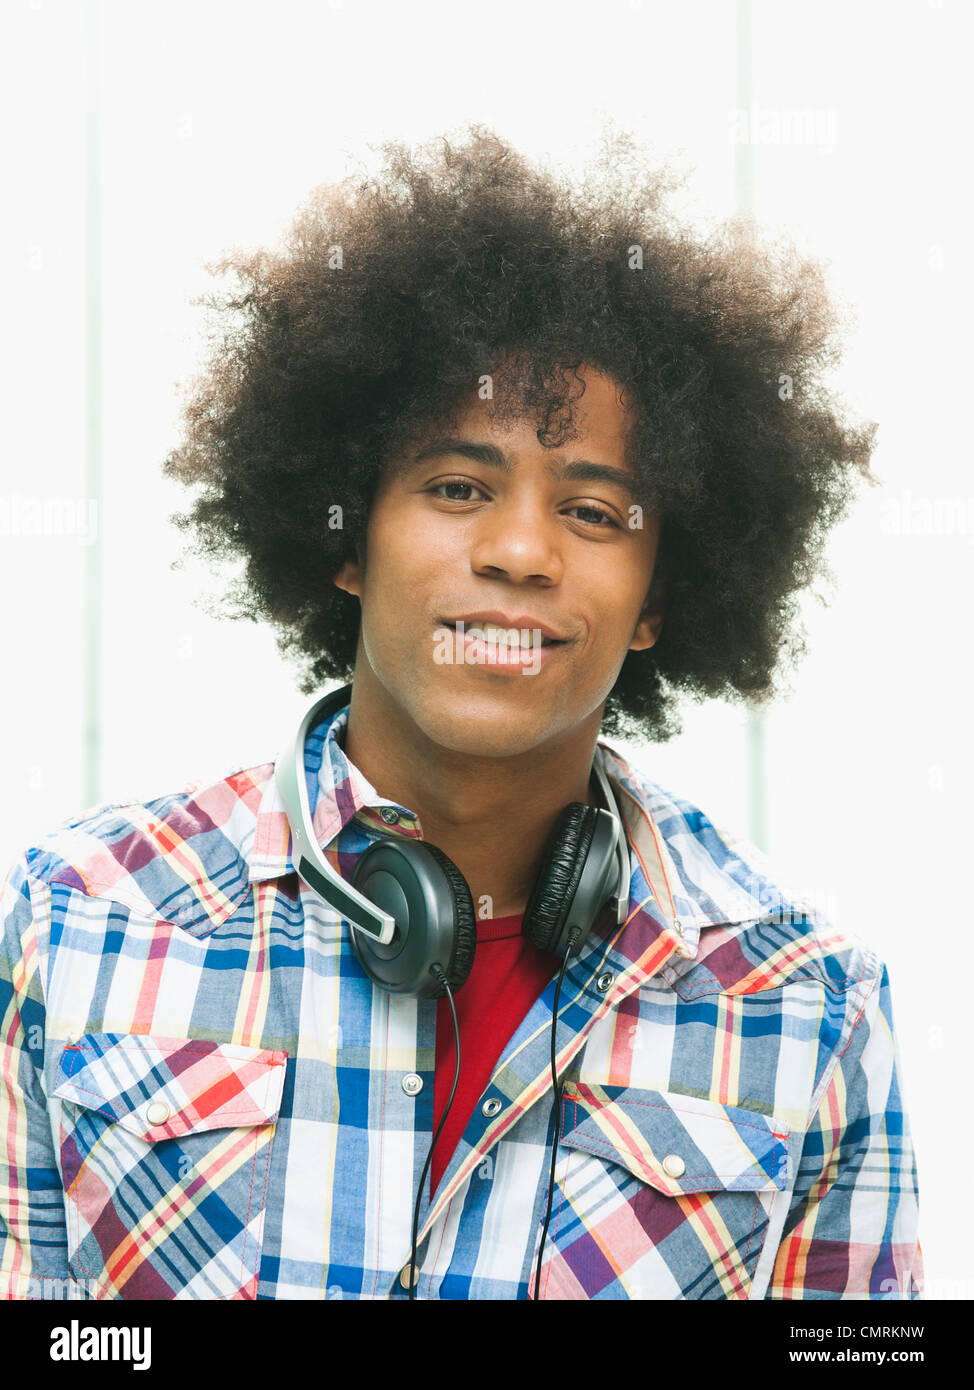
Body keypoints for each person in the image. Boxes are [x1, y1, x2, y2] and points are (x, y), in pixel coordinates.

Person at [0, 126, 922, 1301]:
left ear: (658, 600)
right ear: (345, 542)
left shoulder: (807, 1003)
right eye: (456, 488)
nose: (522, 550)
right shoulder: (78, 918)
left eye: (593, 512)